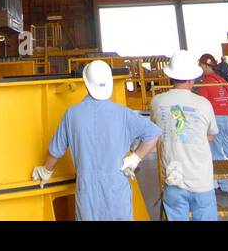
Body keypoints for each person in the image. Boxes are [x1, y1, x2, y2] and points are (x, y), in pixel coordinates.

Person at [33, 60, 160, 220]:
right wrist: (135, 158)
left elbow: (54, 152)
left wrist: (46, 171)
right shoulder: (123, 114)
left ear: (86, 84)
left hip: (87, 192)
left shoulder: (72, 114)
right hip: (117, 189)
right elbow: (153, 133)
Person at [149, 50, 218, 220]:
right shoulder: (204, 104)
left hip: (174, 179)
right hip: (201, 180)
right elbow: (211, 135)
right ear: (191, 79)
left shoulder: (157, 102)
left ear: (171, 76)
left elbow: (154, 132)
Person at [195, 52, 228, 193]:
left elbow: (201, 103)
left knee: (216, 152)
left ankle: (224, 187)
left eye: (200, 65)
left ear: (205, 66)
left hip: (216, 121)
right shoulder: (222, 80)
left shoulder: (205, 82)